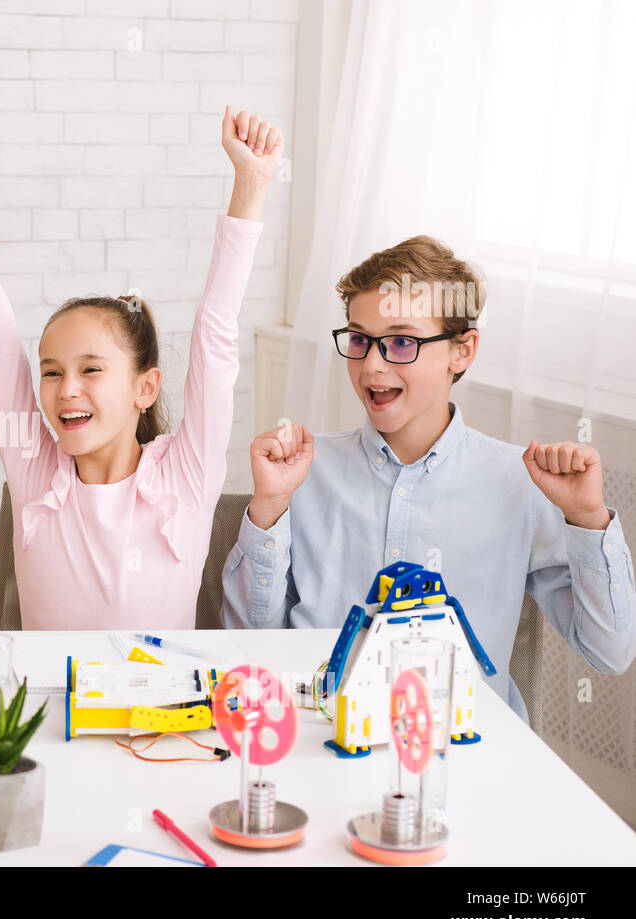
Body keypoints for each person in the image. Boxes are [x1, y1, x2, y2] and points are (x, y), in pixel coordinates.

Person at [222, 236, 636, 717]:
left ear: (462, 352)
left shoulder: (520, 485)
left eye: (401, 341)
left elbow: (609, 653)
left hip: (464, 757)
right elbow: (248, 646)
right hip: (322, 739)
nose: (371, 365)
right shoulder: (303, 473)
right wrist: (269, 508)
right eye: (359, 339)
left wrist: (586, 518)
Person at [0, 105, 280, 629]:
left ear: (145, 388)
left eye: (91, 370)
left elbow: (216, 334)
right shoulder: (35, 471)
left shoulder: (186, 475)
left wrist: (251, 184)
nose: (66, 389)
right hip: (49, 709)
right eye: (51, 371)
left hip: (160, 709)